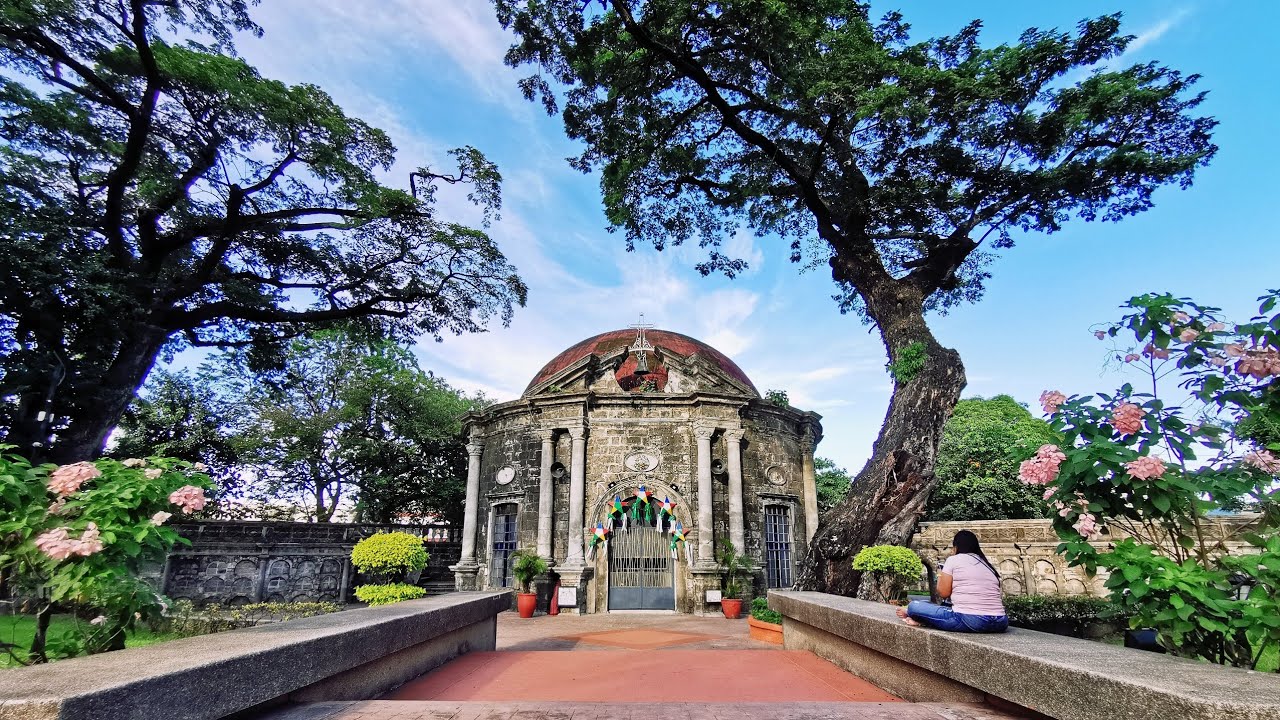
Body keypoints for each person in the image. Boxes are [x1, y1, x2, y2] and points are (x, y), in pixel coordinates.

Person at [895, 529, 1008, 633]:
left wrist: (940, 574)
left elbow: (943, 593)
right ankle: (922, 620)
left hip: (972, 620)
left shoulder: (954, 559)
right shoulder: (986, 564)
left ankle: (919, 618)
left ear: (956, 547)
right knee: (942, 607)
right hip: (1000, 621)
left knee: (914, 606)